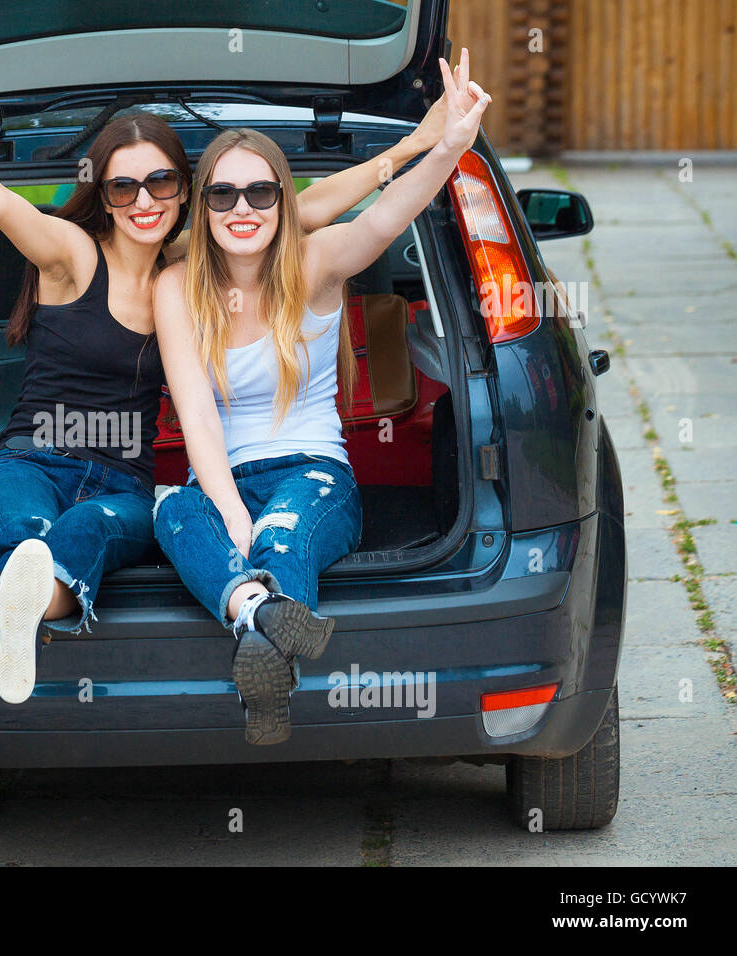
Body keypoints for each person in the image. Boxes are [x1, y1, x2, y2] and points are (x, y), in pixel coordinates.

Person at [0, 51, 452, 705]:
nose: (143, 201)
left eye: (161, 183)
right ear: (102, 196)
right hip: (31, 455)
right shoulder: (73, 255)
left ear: (184, 193)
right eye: (122, 187)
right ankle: (17, 594)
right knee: (22, 521)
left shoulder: (184, 266)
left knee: (92, 528)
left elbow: (299, 209)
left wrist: (417, 144)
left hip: (122, 481)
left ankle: (5, 601)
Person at [152, 52, 491, 743]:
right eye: (221, 195)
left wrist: (446, 146)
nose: (241, 209)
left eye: (260, 194)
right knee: (172, 509)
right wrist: (231, 516)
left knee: (283, 534)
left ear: (284, 200)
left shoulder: (316, 262)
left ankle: (258, 634)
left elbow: (386, 215)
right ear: (202, 205)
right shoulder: (176, 288)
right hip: (222, 480)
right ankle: (265, 623)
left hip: (315, 474)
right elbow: (197, 425)